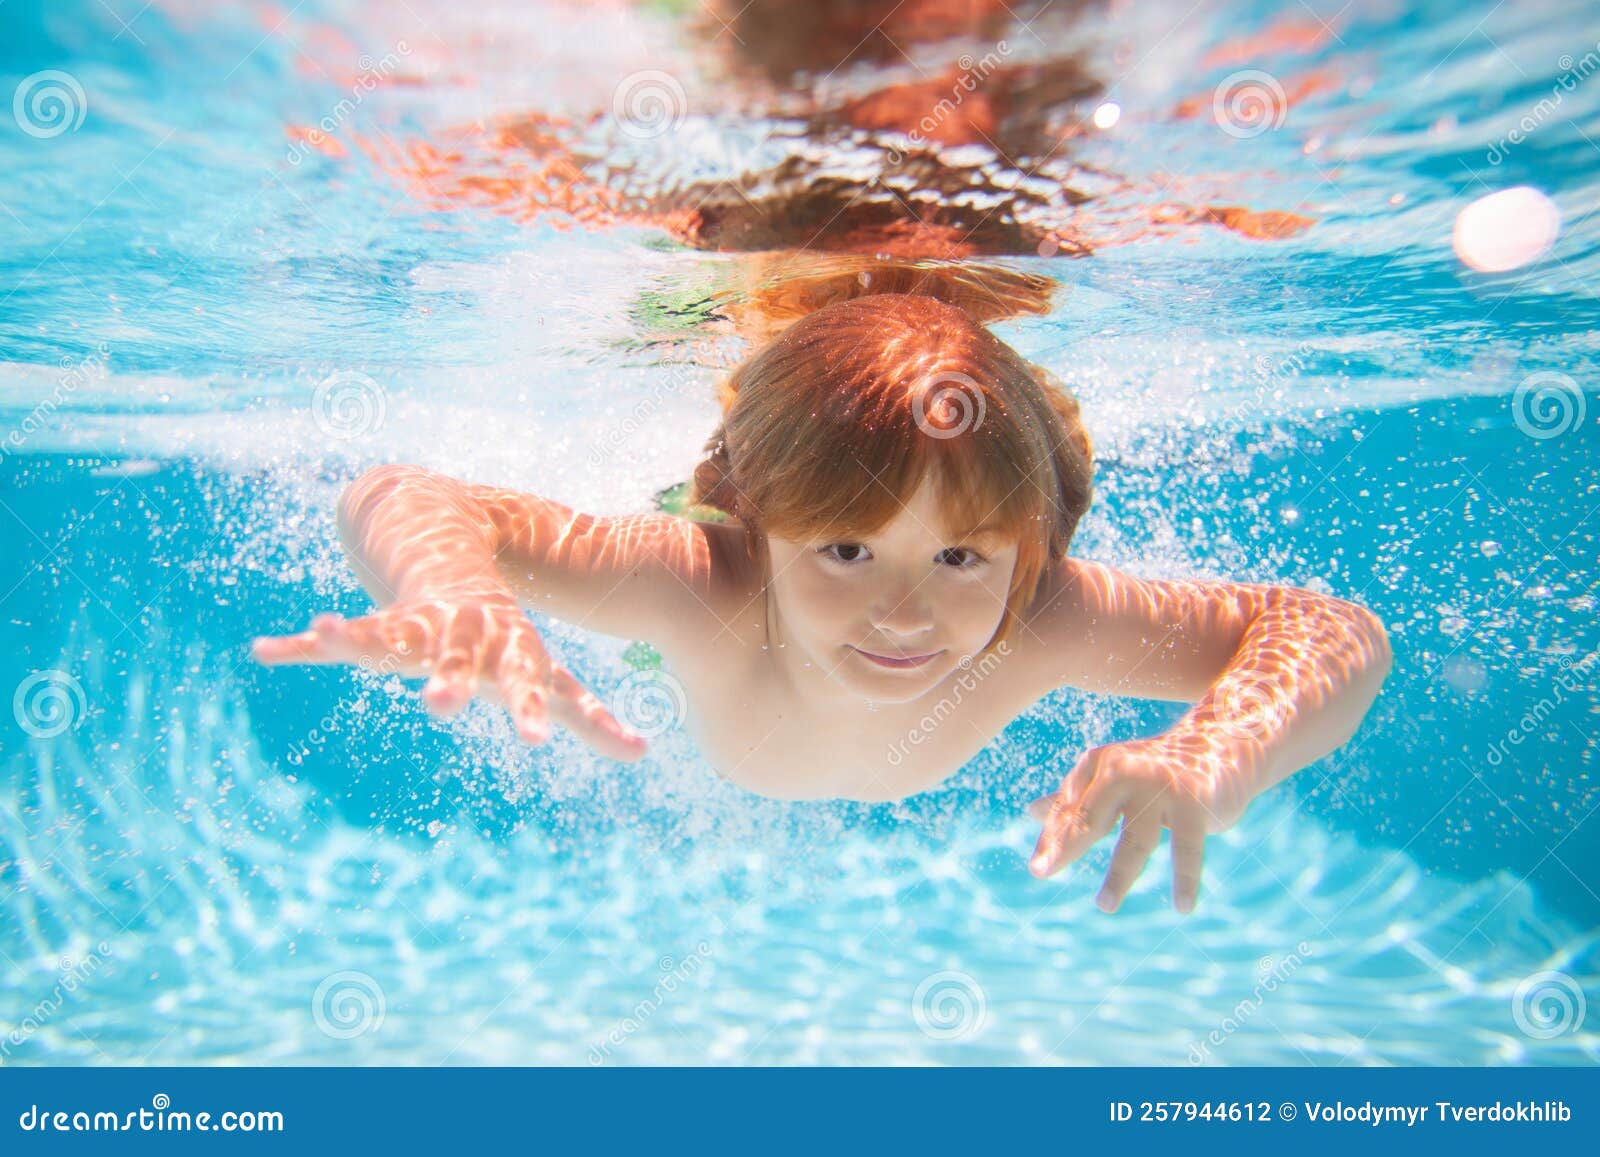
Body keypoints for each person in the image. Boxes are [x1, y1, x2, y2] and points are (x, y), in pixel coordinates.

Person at [252, 281, 1391, 915]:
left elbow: (1333, 627)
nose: (905, 613)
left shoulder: (1040, 614)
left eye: (959, 559)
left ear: (1025, 552)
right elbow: (403, 489)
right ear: (757, 531)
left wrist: (1216, 752)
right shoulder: (702, 579)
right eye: (846, 549)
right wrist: (459, 590)